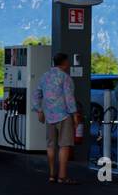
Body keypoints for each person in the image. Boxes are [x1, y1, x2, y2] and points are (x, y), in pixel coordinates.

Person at [33, 51, 82, 184]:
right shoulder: (65, 78)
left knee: (50, 145)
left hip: (49, 116)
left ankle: (51, 174)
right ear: (65, 63)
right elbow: (69, 97)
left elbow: (36, 94)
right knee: (64, 145)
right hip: (64, 115)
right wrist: (75, 115)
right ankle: (62, 176)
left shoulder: (44, 77)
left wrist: (39, 110)